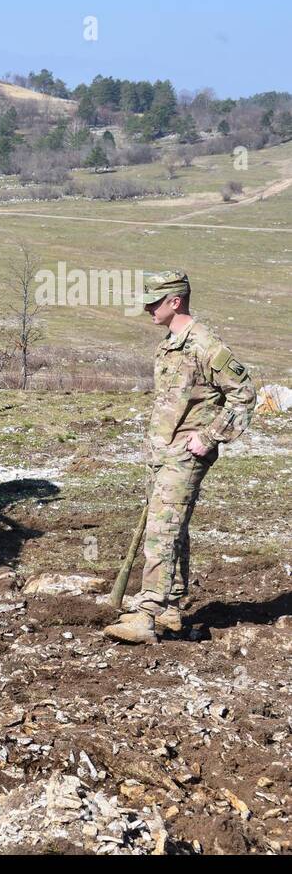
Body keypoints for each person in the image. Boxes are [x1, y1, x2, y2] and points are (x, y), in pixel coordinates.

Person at [104, 271, 256, 644]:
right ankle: (170, 606)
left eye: (154, 302)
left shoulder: (205, 344)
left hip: (186, 455)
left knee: (161, 530)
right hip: (164, 453)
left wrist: (209, 437)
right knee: (173, 527)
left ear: (176, 302)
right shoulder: (170, 344)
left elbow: (245, 394)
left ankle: (146, 613)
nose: (147, 308)